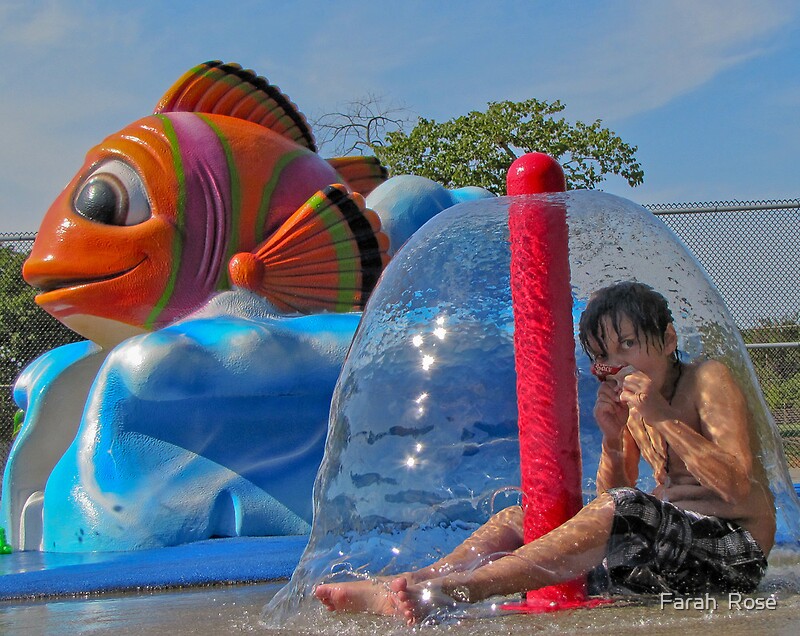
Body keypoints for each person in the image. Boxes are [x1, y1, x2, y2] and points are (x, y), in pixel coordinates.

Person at [314, 282, 776, 625]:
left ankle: (448, 592)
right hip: (661, 559)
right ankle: (410, 582)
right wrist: (614, 439)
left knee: (627, 507)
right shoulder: (637, 406)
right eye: (602, 354)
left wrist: (660, 417)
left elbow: (735, 484)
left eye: (628, 344)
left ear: (670, 339)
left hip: (729, 556)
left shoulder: (705, 380)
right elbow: (610, 503)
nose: (616, 363)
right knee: (525, 515)